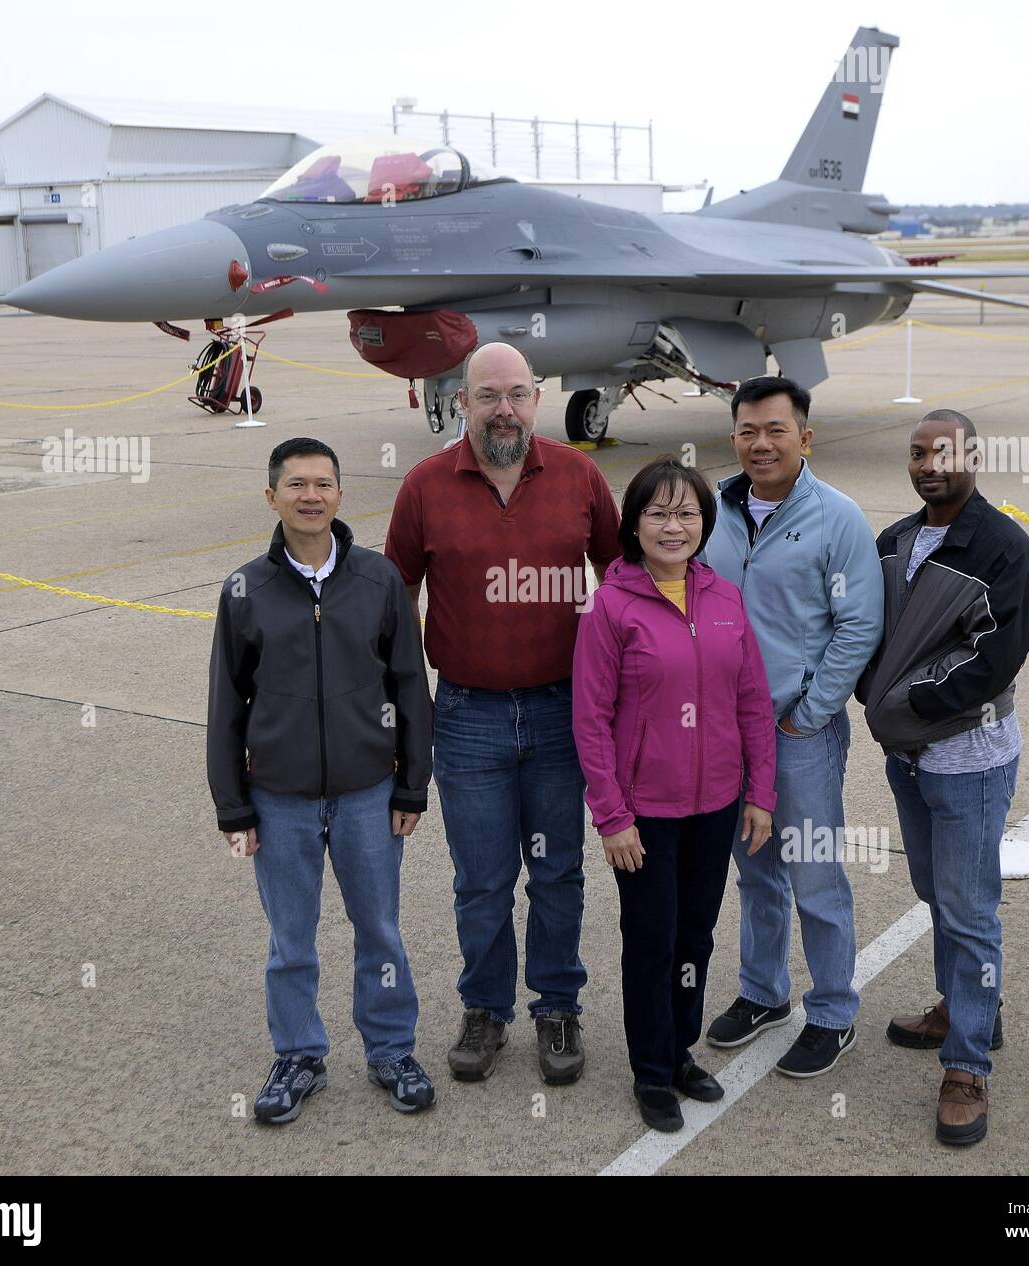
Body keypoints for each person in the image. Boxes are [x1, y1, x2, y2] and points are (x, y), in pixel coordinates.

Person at [384, 343, 622, 1085]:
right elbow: (392, 605)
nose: (505, 410)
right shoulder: (424, 487)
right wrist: (400, 719)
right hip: (467, 716)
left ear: (537, 398)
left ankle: (557, 1007)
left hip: (560, 715)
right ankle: (486, 1008)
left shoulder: (579, 476)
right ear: (462, 402)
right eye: (489, 396)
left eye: (518, 394)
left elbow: (621, 580)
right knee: (481, 879)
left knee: (556, 873)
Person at [207, 437, 435, 1123]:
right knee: (290, 941)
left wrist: (411, 785)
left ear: (340, 494)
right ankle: (300, 1054)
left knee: (381, 932)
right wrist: (233, 808)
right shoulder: (245, 589)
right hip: (280, 802)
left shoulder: (378, 580)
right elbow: (227, 703)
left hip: (369, 795)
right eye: (297, 484)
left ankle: (392, 1048)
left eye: (324, 483)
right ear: (272, 496)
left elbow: (408, 683)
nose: (312, 496)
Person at [573, 457, 777, 1132]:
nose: (673, 525)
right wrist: (611, 816)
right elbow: (591, 719)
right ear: (633, 525)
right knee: (652, 940)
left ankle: (681, 1049)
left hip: (715, 805)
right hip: (645, 816)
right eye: (657, 513)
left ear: (703, 524)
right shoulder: (612, 604)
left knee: (696, 936)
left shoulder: (722, 598)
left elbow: (751, 701)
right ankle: (651, 1071)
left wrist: (760, 793)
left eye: (686, 513)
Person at [856, 409, 1029, 1145]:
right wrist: (875, 689)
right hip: (910, 759)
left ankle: (968, 1066)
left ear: (973, 455)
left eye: (945, 451)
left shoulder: (1003, 550)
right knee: (936, 893)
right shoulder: (897, 539)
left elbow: (993, 661)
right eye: (918, 452)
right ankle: (964, 1008)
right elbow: (869, 630)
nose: (930, 463)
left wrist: (906, 705)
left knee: (970, 911)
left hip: (971, 760)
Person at [701, 376, 883, 1077]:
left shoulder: (837, 518)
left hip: (797, 734)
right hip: (728, 734)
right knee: (755, 872)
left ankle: (833, 1011)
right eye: (748, 430)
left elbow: (859, 623)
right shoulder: (713, 510)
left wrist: (811, 712)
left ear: (805, 437)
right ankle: (763, 993)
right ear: (734, 438)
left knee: (815, 876)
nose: (760, 443)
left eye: (775, 430)